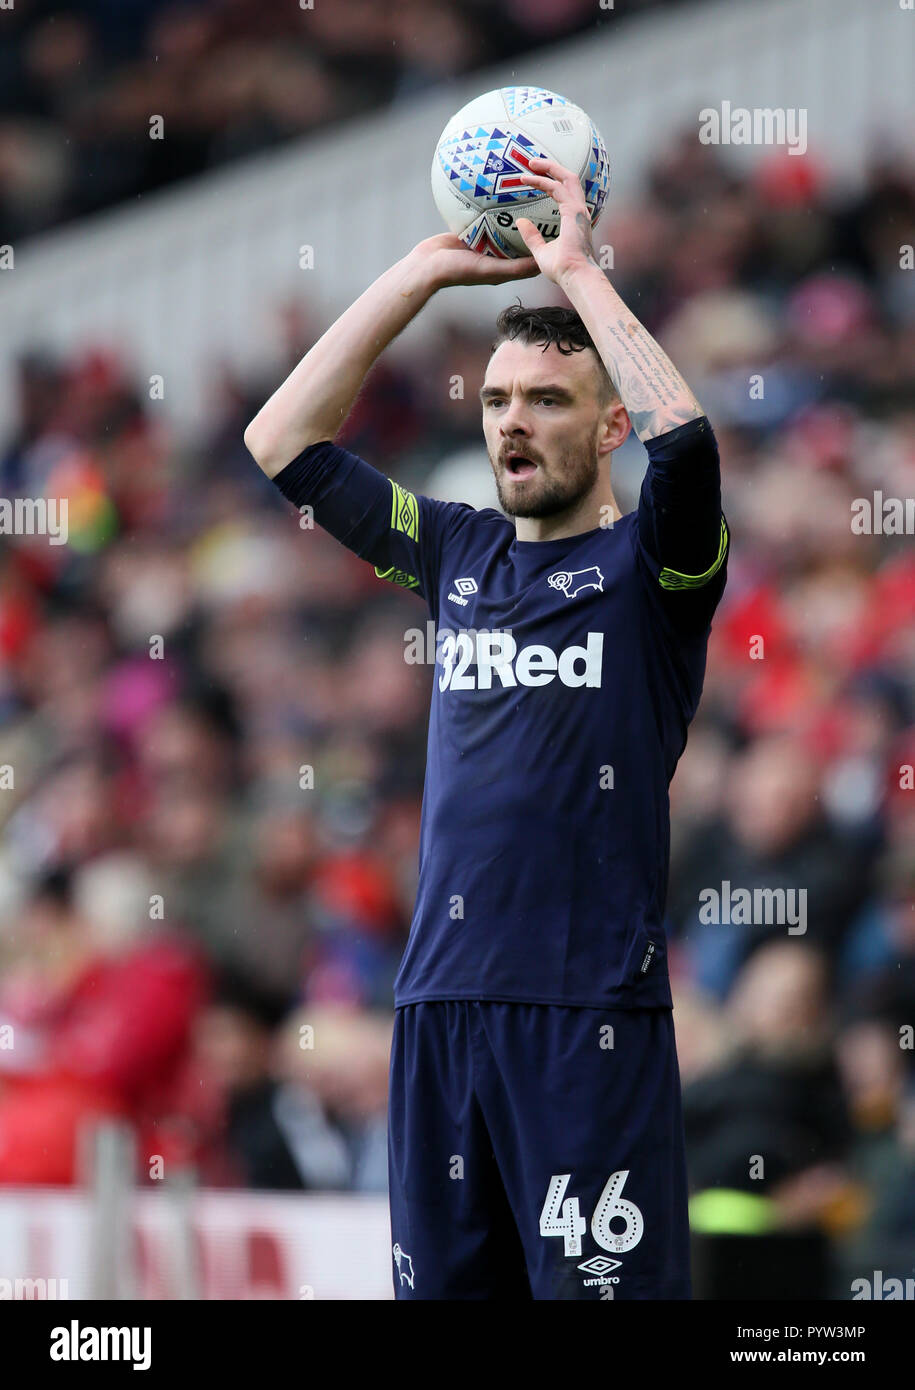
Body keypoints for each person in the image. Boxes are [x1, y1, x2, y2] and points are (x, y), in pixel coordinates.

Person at [244, 156, 729, 1299]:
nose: (514, 421)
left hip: (586, 1023)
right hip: (438, 1009)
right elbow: (282, 445)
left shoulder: (653, 570)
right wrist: (419, 275)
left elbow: (693, 447)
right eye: (500, 400)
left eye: (549, 400)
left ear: (611, 424)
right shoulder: (455, 550)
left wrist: (575, 270)